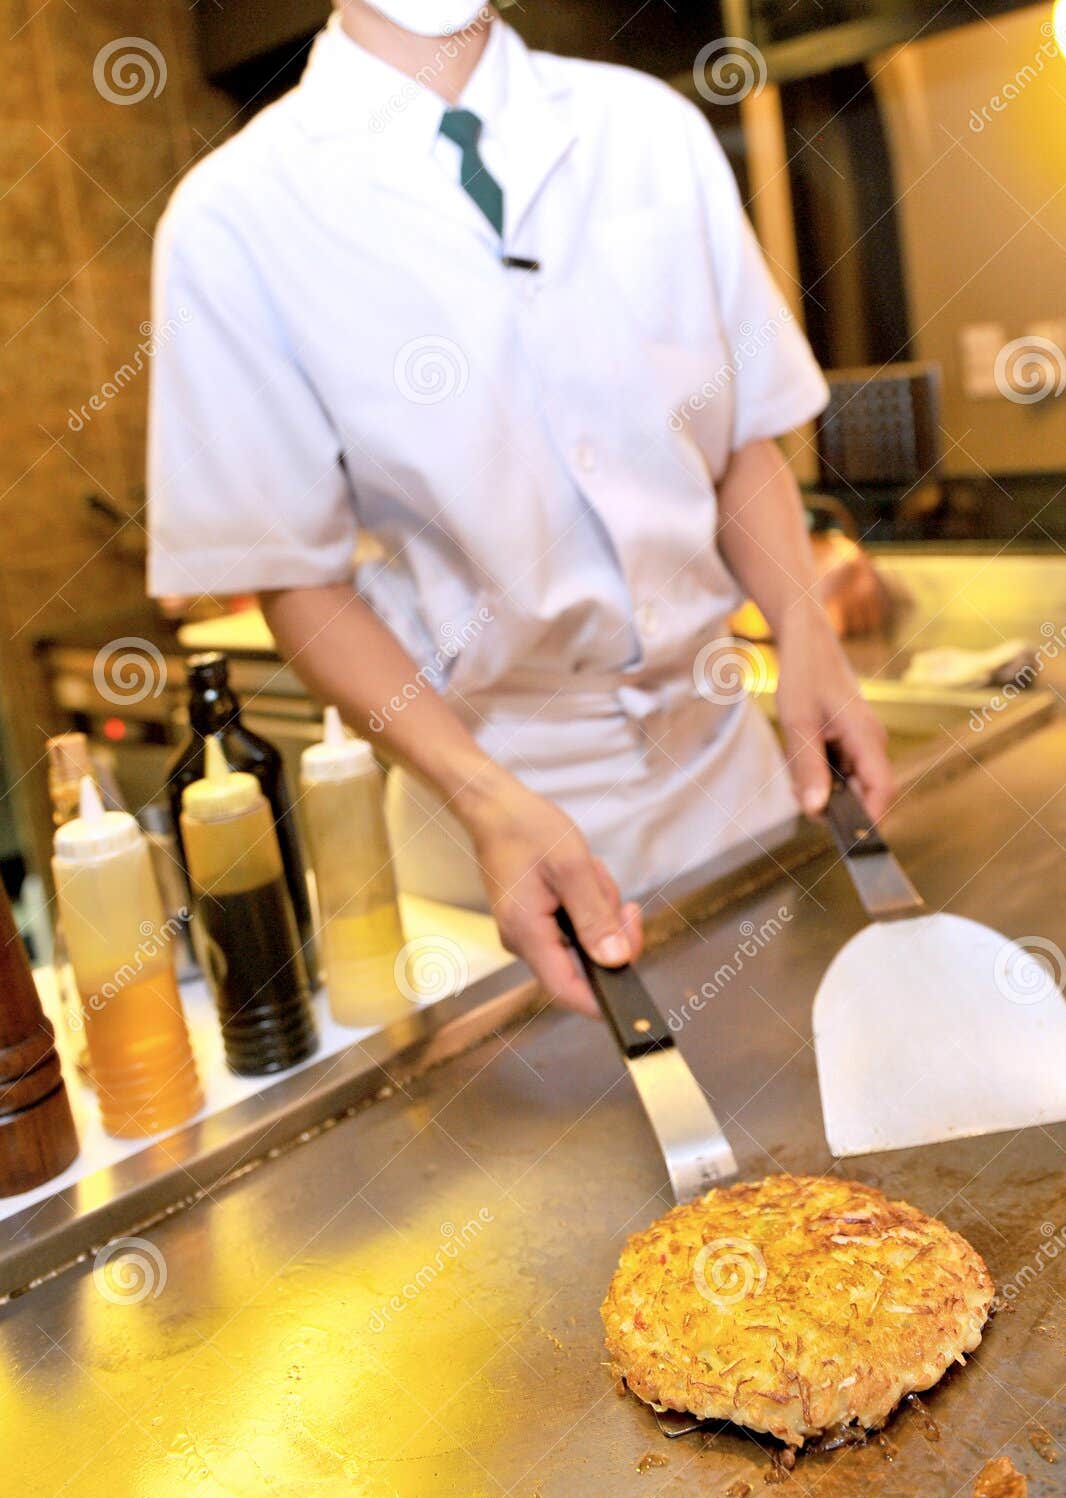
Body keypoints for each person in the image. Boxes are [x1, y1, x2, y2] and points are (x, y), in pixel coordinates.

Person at [147, 0, 893, 1016]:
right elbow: (295, 579)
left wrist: (805, 630)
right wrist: (482, 795)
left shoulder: (649, 128)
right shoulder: (234, 218)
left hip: (735, 782)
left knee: (794, 1083)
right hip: (498, 809)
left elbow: (738, 441)